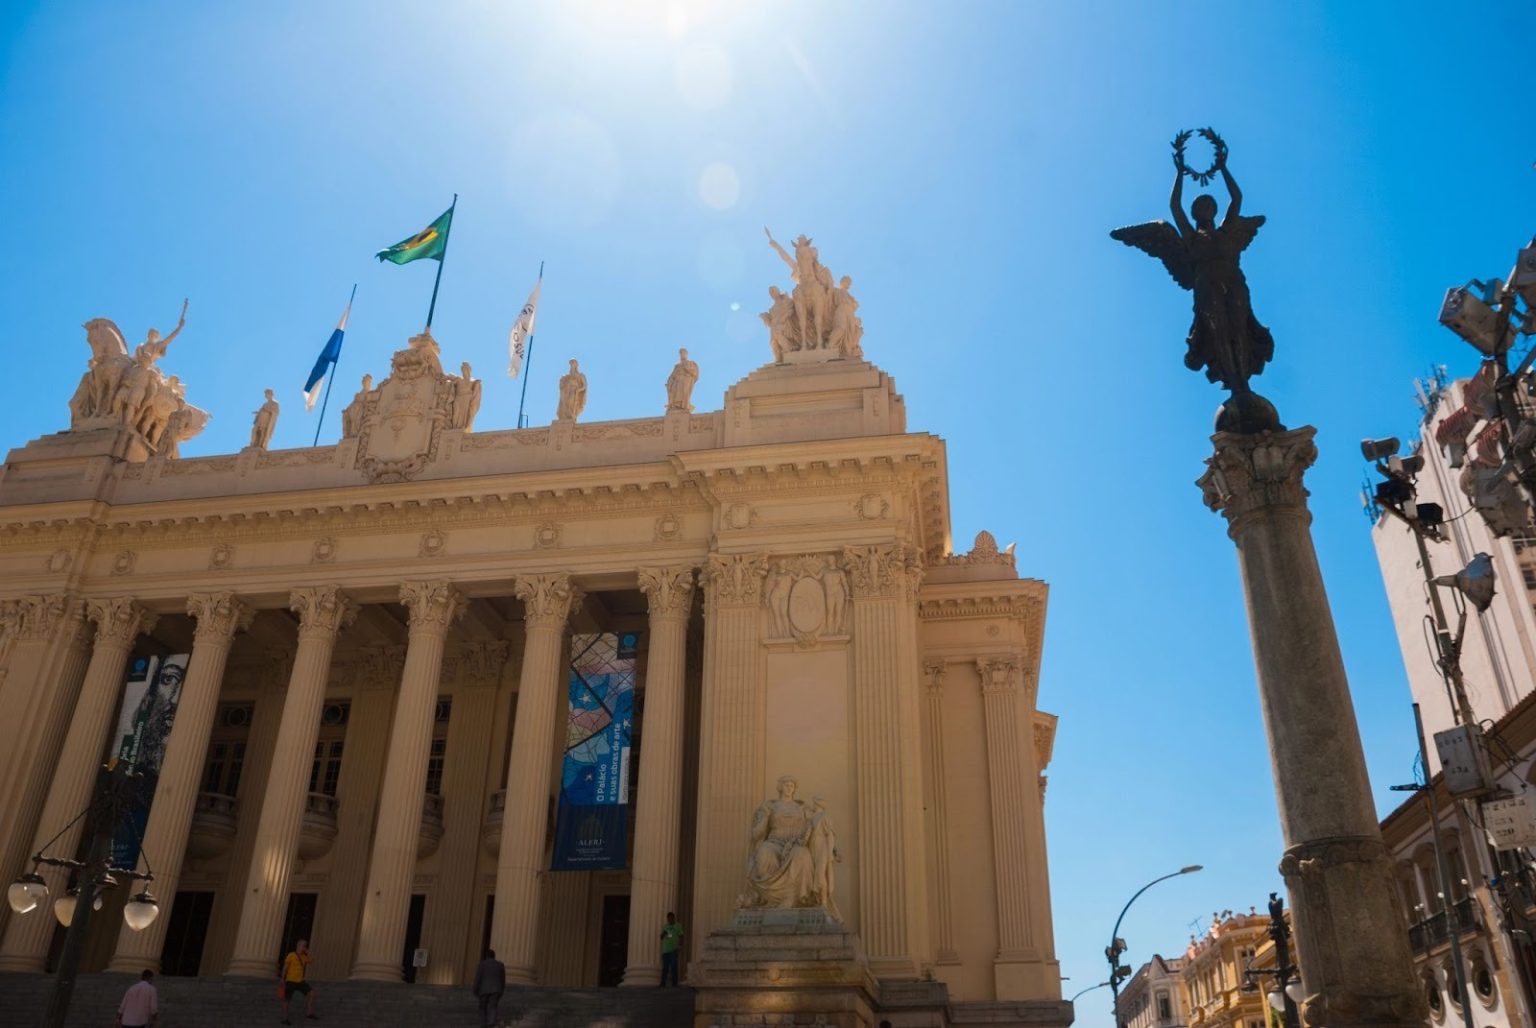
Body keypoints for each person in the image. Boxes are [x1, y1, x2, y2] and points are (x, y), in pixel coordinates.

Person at [279, 938, 317, 1023]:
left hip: (300, 981)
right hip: (291, 980)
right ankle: (285, 1018)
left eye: (305, 946)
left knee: (312, 994)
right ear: (298, 946)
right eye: (303, 946)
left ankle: (309, 1013)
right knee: (287, 999)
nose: (304, 947)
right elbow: (285, 967)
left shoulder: (304, 957)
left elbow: (312, 961)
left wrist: (308, 952)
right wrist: (282, 978)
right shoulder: (291, 955)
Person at [472, 947, 506, 1027]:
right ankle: (491, 1023)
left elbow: (478, 978)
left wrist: (475, 989)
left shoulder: (482, 964)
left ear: (486, 956)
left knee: (482, 1007)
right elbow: (502, 979)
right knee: (493, 1006)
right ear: (494, 956)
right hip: (496, 990)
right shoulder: (500, 965)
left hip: (483, 990)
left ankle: (483, 1024)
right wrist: (501, 990)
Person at [659, 911, 684, 987]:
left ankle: (674, 983)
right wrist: (663, 933)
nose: (670, 920)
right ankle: (663, 983)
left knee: (673, 966)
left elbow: (681, 936)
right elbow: (661, 937)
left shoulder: (678, 926)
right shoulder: (665, 927)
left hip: (673, 949)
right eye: (669, 918)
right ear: (667, 919)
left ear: (674, 918)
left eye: (671, 918)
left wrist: (680, 945)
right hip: (665, 950)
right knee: (665, 967)